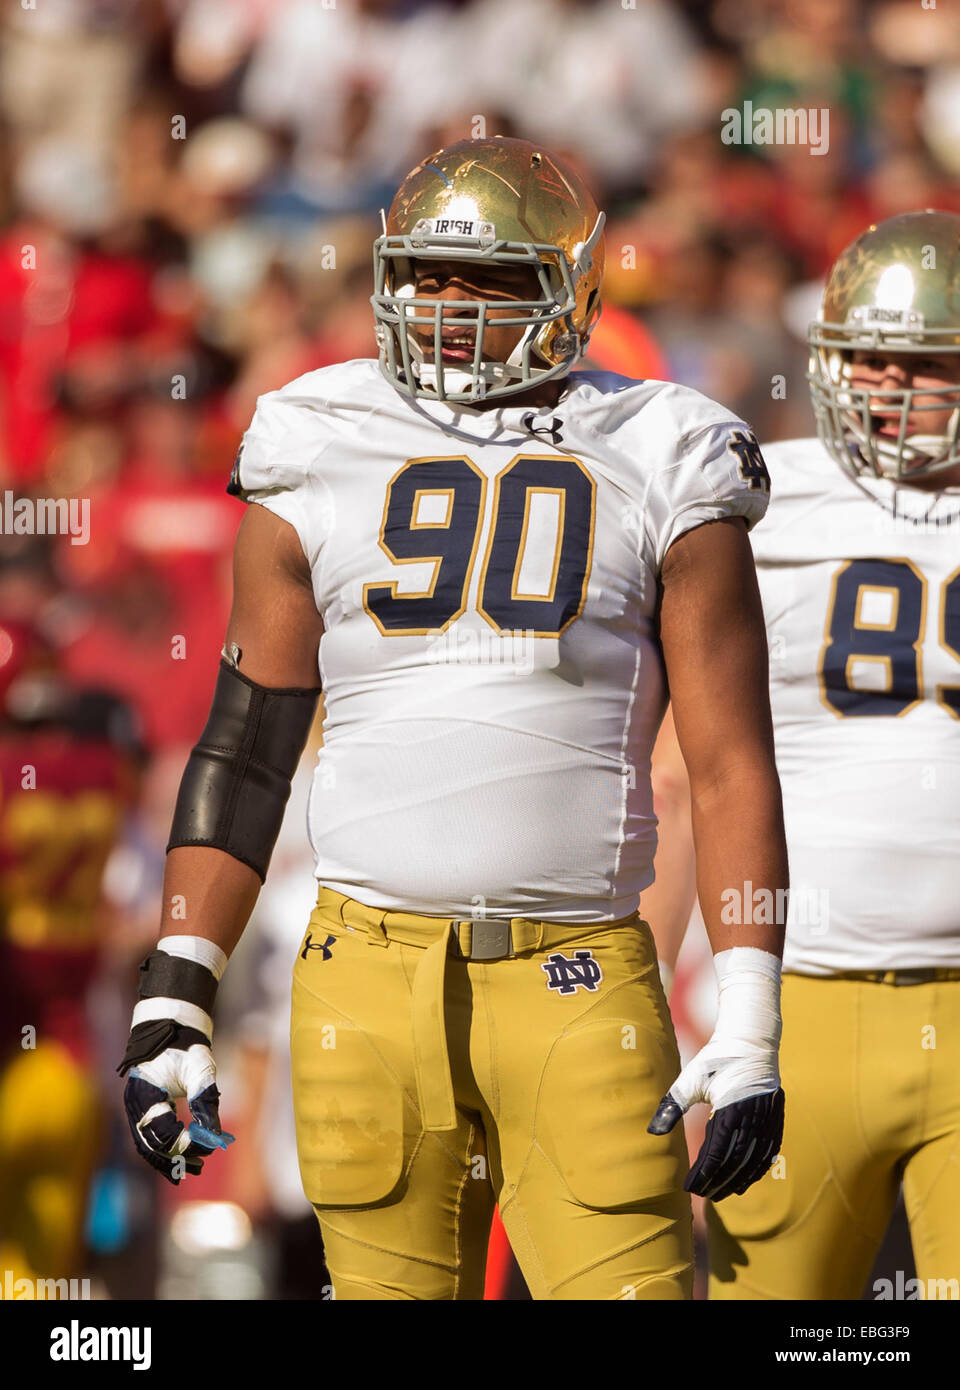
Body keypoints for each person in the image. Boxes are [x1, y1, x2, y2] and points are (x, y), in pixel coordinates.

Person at [118, 136, 787, 1301]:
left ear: (574, 292)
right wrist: (177, 988)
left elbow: (730, 763)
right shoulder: (311, 434)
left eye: (489, 279)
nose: (449, 307)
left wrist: (753, 1013)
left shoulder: (669, 447)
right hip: (362, 970)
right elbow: (248, 742)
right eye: (427, 274)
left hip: (579, 966)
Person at [654, 210, 960, 1301]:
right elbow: (682, 776)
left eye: (919, 360)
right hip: (801, 998)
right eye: (864, 355)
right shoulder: (755, 496)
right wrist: (640, 995)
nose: (885, 382)